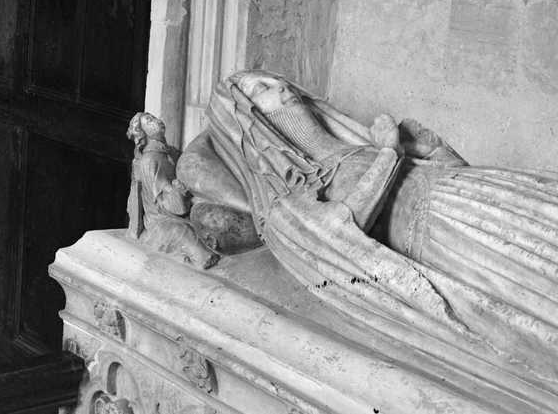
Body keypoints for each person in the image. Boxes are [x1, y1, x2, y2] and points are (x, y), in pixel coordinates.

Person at [194, 70, 558, 394]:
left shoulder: (352, 144)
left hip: (473, 196)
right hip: (444, 238)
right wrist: (388, 152)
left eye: (278, 81)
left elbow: (420, 175)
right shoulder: (283, 204)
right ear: (250, 121)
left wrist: (436, 151)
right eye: (263, 89)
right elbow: (337, 237)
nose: (283, 88)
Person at [126, 111, 217, 268]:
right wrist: (178, 190)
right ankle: (203, 259)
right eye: (149, 120)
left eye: (153, 117)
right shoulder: (150, 161)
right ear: (142, 133)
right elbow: (171, 205)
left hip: (184, 209)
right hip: (161, 221)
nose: (157, 121)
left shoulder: (170, 152)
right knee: (185, 234)